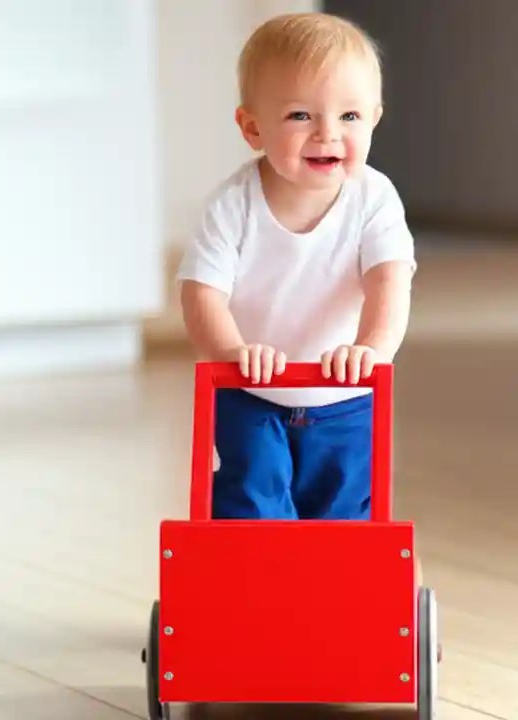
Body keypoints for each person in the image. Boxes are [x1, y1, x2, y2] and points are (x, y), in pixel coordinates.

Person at [176, 12, 415, 523]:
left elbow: (389, 280)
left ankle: (340, 594)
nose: (327, 134)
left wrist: (372, 349)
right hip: (253, 392)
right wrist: (232, 352)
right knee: (251, 502)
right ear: (252, 127)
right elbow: (201, 294)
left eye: (349, 117)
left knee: (345, 508)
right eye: (300, 116)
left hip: (346, 394)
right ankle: (259, 593)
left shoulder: (374, 198)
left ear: (374, 118)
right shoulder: (232, 205)